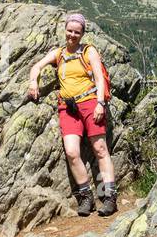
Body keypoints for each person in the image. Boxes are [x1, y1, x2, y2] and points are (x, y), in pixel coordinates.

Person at [27, 13, 118, 217]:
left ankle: (109, 197)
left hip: (90, 103)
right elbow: (37, 66)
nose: (72, 35)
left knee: (100, 148)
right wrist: (34, 81)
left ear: (82, 33)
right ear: (65, 30)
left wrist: (100, 103)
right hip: (68, 108)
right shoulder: (59, 53)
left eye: (77, 32)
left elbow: (99, 78)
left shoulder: (88, 51)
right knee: (71, 152)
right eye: (70, 31)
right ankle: (86, 197)